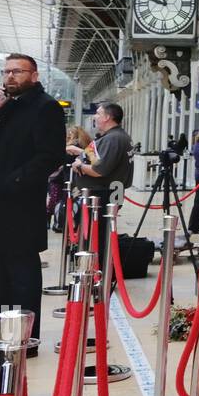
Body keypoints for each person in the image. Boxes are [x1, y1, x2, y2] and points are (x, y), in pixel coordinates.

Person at [0, 53, 66, 362]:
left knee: (22, 274)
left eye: (17, 71)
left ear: (34, 75)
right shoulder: (7, 106)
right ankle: (8, 335)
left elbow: (50, 155)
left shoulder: (45, 107)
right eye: (6, 71)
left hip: (20, 204)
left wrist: (14, 182)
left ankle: (25, 341)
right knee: (2, 275)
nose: (10, 76)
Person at [71, 102, 134, 273]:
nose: (95, 116)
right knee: (101, 232)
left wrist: (79, 166)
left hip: (102, 195)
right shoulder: (116, 137)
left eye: (98, 113)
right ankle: (100, 268)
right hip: (109, 192)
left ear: (107, 117)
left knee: (100, 235)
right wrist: (80, 153)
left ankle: (100, 270)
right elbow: (99, 158)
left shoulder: (113, 139)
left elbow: (99, 170)